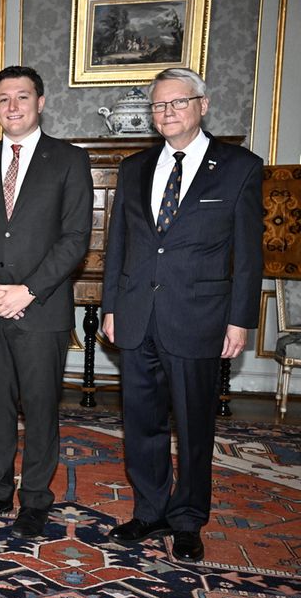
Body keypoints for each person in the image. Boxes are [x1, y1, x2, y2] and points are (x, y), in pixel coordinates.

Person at [101, 68, 263, 562]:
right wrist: (111, 306)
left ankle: (189, 519)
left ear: (202, 105)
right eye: (159, 105)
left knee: (193, 427)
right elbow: (118, 244)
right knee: (141, 423)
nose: (167, 112)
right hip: (136, 315)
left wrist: (240, 320)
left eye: (178, 102)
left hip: (199, 318)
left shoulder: (239, 166)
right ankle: (150, 510)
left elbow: (248, 254)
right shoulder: (134, 167)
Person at [0, 66, 92, 538]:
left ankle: (34, 499)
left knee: (41, 407)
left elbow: (75, 238)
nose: (13, 106)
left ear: (40, 102)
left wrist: (28, 290)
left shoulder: (69, 160)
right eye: (4, 98)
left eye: (22, 96)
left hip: (41, 308)